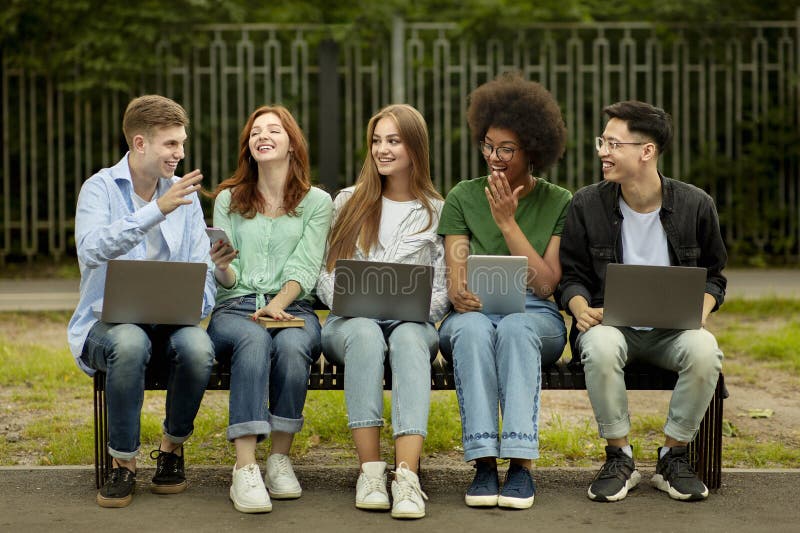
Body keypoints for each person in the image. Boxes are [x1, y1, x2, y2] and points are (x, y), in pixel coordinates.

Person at [558, 100, 726, 502]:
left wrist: (699, 313)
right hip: (612, 328)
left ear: (646, 151)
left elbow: (715, 277)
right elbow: (571, 277)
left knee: (705, 352)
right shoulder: (587, 204)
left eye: (613, 144)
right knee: (598, 346)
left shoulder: (695, 205)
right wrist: (581, 310)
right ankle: (619, 456)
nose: (603, 151)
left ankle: (673, 456)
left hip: (674, 331)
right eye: (603, 142)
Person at [68, 95, 216, 508]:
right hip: (105, 328)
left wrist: (196, 304)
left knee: (199, 347)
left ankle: (170, 451)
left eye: (182, 144)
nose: (180, 154)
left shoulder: (183, 195)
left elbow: (202, 269)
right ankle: (123, 463)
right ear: (140, 143)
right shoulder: (99, 189)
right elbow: (91, 250)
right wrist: (155, 211)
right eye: (171, 144)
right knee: (130, 342)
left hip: (169, 323)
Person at [437, 72, 572, 510]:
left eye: (506, 149)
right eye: (488, 146)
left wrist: (507, 223)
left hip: (535, 317)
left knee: (515, 327)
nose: (494, 157)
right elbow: (456, 267)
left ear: (532, 150)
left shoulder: (558, 201)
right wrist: (458, 293)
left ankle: (519, 463)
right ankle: (481, 462)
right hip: (473, 311)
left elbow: (548, 282)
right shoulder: (462, 196)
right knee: (473, 330)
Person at [316, 104, 449, 520]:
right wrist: (349, 300)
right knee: (367, 335)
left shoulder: (436, 210)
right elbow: (323, 274)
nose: (382, 149)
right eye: (377, 140)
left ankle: (407, 477)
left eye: (393, 140)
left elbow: (443, 290)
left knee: (409, 339)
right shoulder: (348, 203)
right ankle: (371, 473)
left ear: (415, 147)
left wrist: (411, 306)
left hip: (412, 322)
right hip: (350, 324)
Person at [206, 105, 333, 514]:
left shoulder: (317, 202)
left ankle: (279, 458)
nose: (263, 135)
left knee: (295, 347)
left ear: (292, 143)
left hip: (294, 306)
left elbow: (307, 264)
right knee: (253, 339)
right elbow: (227, 278)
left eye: (273, 130)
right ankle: (244, 468)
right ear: (249, 146)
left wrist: (277, 306)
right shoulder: (229, 198)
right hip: (237, 308)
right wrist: (222, 266)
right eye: (256, 131)